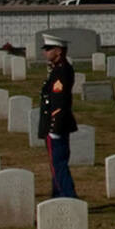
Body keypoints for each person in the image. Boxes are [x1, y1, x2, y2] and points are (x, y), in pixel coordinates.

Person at [37, 34, 78, 199]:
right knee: (56, 165)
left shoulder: (61, 71)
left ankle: (68, 196)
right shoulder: (58, 69)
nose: (45, 53)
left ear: (59, 51)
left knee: (58, 165)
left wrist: (54, 127)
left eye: (48, 49)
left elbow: (59, 102)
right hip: (57, 125)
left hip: (57, 126)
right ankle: (57, 195)